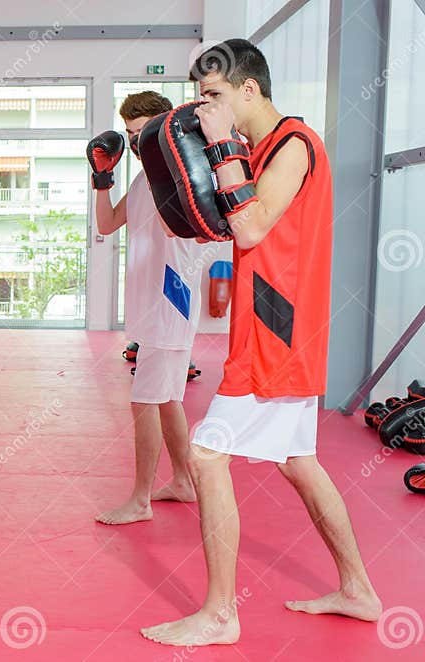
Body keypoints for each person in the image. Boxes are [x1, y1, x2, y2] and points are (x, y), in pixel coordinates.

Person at [141, 39, 381, 646]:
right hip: (277, 327)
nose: (203, 109)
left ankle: (221, 614)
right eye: (198, 98)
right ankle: (358, 588)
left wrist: (220, 144)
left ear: (250, 90)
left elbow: (250, 227)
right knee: (299, 463)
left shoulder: (294, 146)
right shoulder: (261, 150)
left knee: (206, 456)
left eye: (214, 96)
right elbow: (238, 232)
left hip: (278, 336)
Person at [90, 91, 204, 525]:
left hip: (169, 302)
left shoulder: (181, 176)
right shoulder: (142, 180)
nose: (138, 144)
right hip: (148, 302)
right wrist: (102, 181)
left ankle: (139, 500)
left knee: (144, 401)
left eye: (146, 133)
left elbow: (194, 234)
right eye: (132, 135)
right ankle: (184, 481)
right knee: (169, 399)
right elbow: (106, 224)